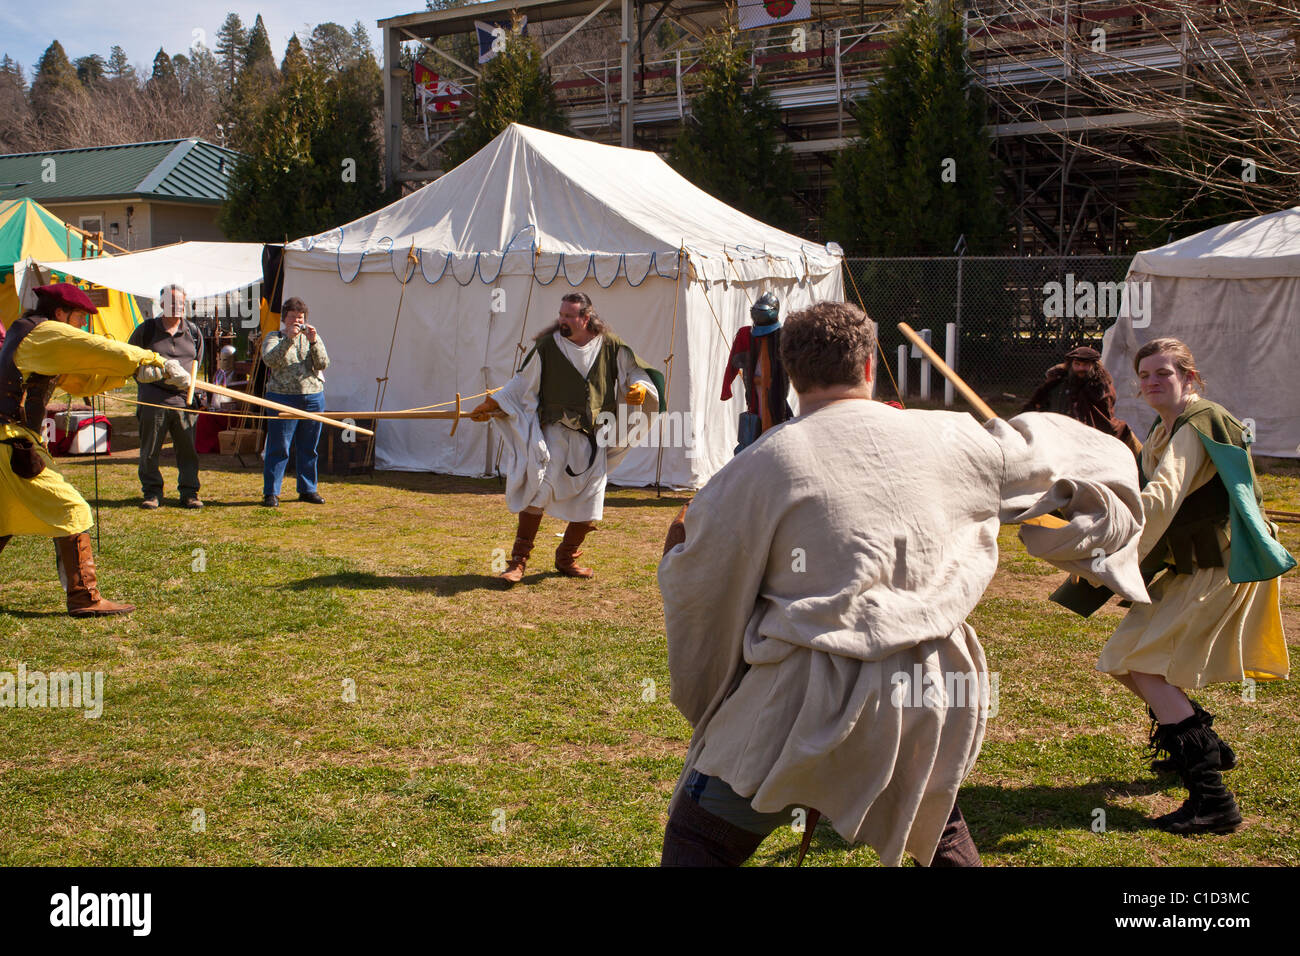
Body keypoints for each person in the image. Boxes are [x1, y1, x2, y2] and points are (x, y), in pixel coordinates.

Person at [657, 301, 1149, 867]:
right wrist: (1088, 515)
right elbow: (1085, 451)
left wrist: (708, 692)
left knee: (701, 843)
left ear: (790, 375)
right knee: (936, 832)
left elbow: (700, 593)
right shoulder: (956, 438)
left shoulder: (754, 468)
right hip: (927, 693)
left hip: (793, 703)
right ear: (870, 365)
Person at [1096, 337, 1292, 835]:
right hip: (1189, 565)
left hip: (1222, 565)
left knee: (1144, 665)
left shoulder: (1198, 421)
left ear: (1188, 376)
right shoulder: (1161, 432)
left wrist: (1119, 556)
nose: (1152, 382)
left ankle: (1213, 802)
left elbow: (1161, 498)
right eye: (1144, 375)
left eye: (1163, 372)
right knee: (1122, 660)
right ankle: (1204, 742)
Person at [0, 282, 189, 616]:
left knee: (3, 520)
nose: (81, 326)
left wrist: (135, 375)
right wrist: (151, 360)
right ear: (59, 313)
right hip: (11, 443)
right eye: (78, 318)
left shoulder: (36, 339)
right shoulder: (42, 334)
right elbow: (94, 348)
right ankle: (83, 598)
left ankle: (81, 597)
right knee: (70, 508)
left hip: (9, 440)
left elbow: (80, 380)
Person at [469, 292, 664, 582]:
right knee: (540, 487)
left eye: (569, 316)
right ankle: (518, 561)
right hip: (556, 429)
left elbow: (636, 372)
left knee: (592, 498)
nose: (562, 320)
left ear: (585, 318)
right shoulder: (547, 346)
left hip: (595, 433)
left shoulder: (610, 345)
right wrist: (494, 403)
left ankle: (566, 557)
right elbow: (521, 382)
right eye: (561, 314)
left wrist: (639, 388)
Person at [128, 284, 204, 509]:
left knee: (188, 452)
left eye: (181, 302)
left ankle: (189, 493)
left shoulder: (193, 332)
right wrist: (145, 375)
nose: (177, 307)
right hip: (153, 401)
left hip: (184, 401)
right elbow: (129, 360)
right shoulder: (146, 330)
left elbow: (198, 364)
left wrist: (196, 393)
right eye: (172, 303)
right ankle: (152, 493)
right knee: (150, 451)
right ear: (161, 304)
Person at [260, 297, 329, 507]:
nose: (297, 322)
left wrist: (315, 342)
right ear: (284, 319)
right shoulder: (275, 337)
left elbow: (323, 363)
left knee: (309, 446)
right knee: (279, 446)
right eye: (292, 318)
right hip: (282, 398)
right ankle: (271, 492)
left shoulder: (312, 338)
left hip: (312, 397)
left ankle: (308, 489)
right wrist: (288, 339)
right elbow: (269, 360)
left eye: (300, 318)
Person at [1023, 345, 1141, 454]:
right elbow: (1040, 400)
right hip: (1058, 427)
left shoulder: (1101, 385)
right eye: (1077, 364)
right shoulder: (1059, 381)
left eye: (1085, 365)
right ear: (1071, 364)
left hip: (1092, 430)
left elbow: (1105, 412)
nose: (1081, 368)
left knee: (1123, 432)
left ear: (1093, 366)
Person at [720, 292, 793, 453]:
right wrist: (726, 388)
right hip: (754, 397)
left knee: (777, 426)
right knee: (754, 435)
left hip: (776, 397)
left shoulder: (783, 336)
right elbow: (732, 364)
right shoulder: (746, 335)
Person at [195, 345, 247, 454]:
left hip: (231, 409)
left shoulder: (238, 374)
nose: (224, 362)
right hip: (218, 407)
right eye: (222, 359)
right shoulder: (218, 373)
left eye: (227, 359)